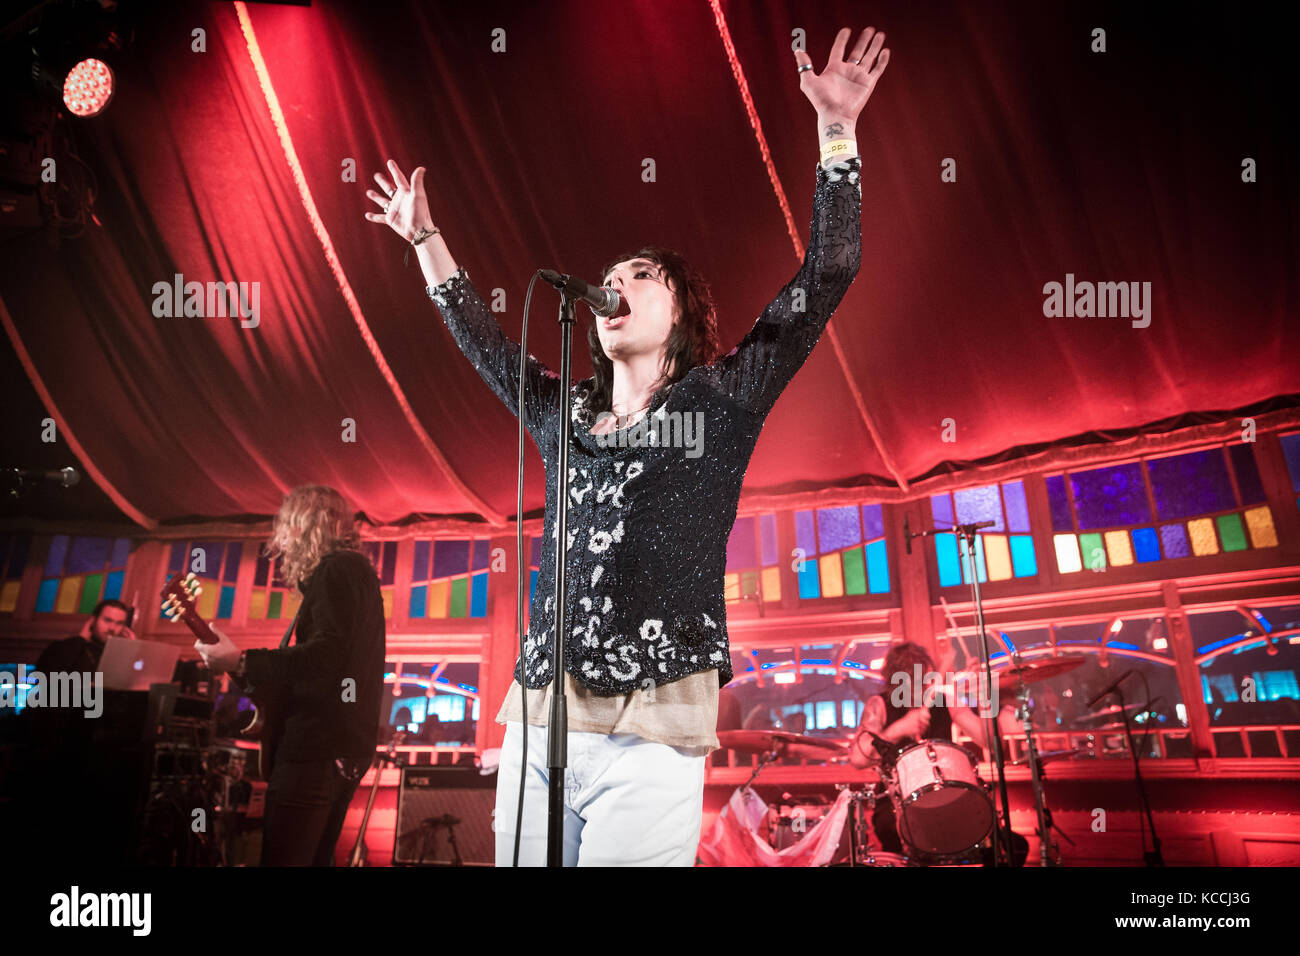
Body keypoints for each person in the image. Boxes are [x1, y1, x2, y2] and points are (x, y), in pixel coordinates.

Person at [366, 27, 889, 866]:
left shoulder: (721, 399)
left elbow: (827, 274)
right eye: (615, 272)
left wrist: (837, 130)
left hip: (654, 728)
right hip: (540, 716)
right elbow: (484, 345)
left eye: (644, 272)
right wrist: (426, 240)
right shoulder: (562, 413)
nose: (620, 281)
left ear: (680, 312)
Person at [196, 485, 386, 866]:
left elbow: (326, 655)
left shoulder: (336, 569)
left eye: (283, 526)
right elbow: (332, 665)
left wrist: (244, 660)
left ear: (303, 525)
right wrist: (240, 664)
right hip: (341, 749)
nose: (279, 538)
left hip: (313, 749)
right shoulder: (356, 573)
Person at [849, 640, 1025, 864]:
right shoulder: (880, 704)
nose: (926, 684)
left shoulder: (946, 700)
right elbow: (857, 758)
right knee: (887, 826)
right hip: (896, 803)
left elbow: (988, 741)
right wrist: (898, 729)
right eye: (917, 679)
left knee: (1003, 844)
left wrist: (983, 694)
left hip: (951, 793)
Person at [34, 598, 135, 674]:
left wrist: (133, 648)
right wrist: (80, 639)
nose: (112, 628)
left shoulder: (117, 655)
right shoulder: (62, 647)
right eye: (107, 620)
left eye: (119, 623)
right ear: (93, 621)